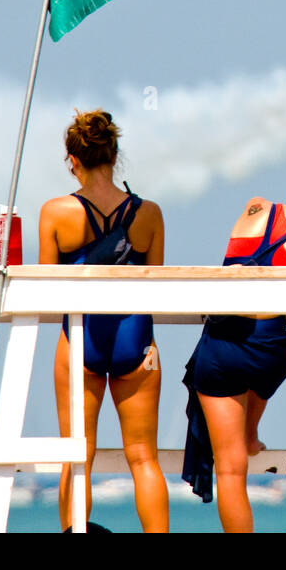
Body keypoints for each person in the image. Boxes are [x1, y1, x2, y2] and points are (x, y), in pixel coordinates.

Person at [182, 168, 286, 532]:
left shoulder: (255, 207)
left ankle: (245, 437)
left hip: (222, 346)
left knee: (230, 468)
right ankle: (251, 431)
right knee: (280, 351)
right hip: (267, 347)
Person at [39, 109, 168, 533]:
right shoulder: (149, 213)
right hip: (137, 340)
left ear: (72, 160)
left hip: (81, 340)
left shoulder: (55, 212)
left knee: (77, 456)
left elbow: (45, 289)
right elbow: (157, 282)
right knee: (144, 457)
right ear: (114, 157)